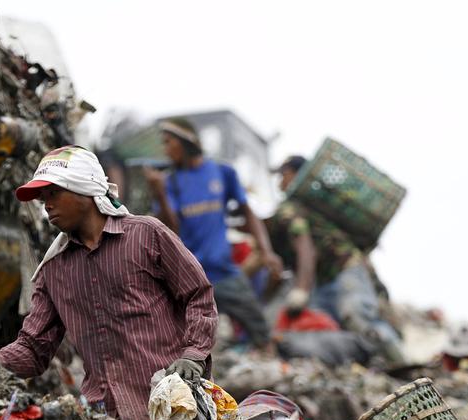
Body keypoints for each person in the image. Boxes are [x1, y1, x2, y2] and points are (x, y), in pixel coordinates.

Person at [0, 145, 218, 420]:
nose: (46, 205)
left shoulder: (147, 235)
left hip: (176, 410)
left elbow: (198, 295)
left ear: (84, 190)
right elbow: (34, 348)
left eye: (54, 193)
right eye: (42, 198)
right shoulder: (52, 269)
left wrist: (193, 356)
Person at [142, 117, 279, 350]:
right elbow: (171, 230)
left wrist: (266, 251)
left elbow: (248, 211)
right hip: (189, 276)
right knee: (184, 341)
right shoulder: (170, 182)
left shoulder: (221, 172)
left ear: (187, 142)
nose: (165, 150)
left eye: (169, 142)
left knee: (258, 326)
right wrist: (160, 195)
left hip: (223, 270)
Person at [273, 155, 404, 363]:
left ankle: (400, 361)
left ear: (293, 174)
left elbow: (306, 250)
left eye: (282, 175)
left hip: (345, 266)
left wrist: (301, 291)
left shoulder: (290, 208)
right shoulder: (307, 206)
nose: (279, 181)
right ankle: (372, 366)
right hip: (326, 279)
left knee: (357, 318)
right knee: (330, 327)